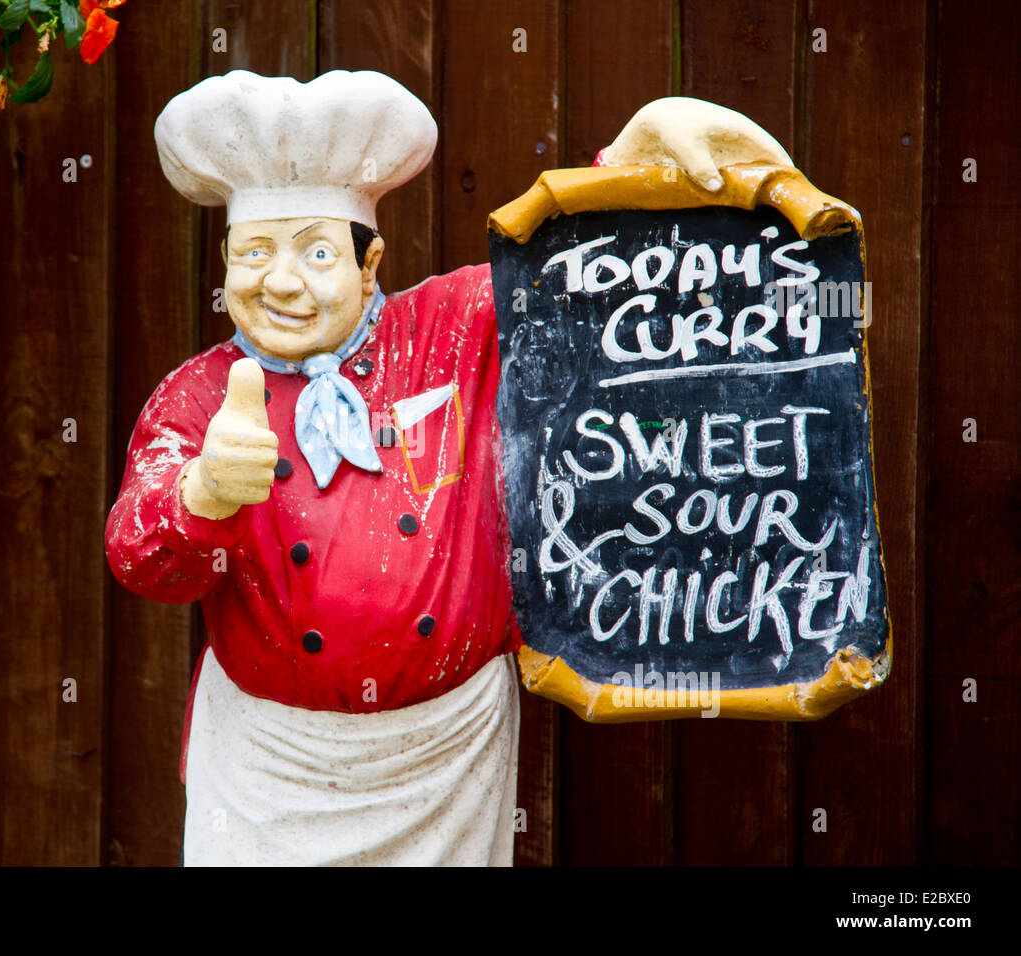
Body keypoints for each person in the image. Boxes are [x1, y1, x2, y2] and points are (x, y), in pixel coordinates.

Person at [105, 70, 792, 865]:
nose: (280, 281)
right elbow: (138, 557)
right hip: (272, 765)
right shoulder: (197, 394)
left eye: (316, 252)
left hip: (444, 758)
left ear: (370, 265)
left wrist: (640, 163)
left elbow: (584, 271)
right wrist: (202, 494)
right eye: (254, 252)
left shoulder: (451, 328)